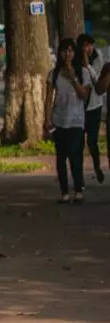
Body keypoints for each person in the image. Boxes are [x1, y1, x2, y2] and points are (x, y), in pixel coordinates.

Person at [44, 38, 94, 204]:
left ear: (75, 53)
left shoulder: (83, 73)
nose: (67, 54)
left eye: (71, 50)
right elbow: (48, 98)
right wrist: (47, 120)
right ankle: (64, 192)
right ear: (60, 53)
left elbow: (84, 95)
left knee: (75, 156)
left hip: (76, 121)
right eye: (64, 51)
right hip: (59, 120)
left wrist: (73, 77)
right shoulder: (54, 73)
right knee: (61, 158)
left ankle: (78, 189)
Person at [77, 34, 104, 184]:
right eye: (85, 46)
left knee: (92, 141)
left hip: (94, 106)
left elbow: (97, 82)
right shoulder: (74, 61)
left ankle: (97, 166)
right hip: (79, 109)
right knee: (79, 143)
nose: (88, 49)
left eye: (90, 45)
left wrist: (87, 66)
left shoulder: (98, 58)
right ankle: (79, 176)